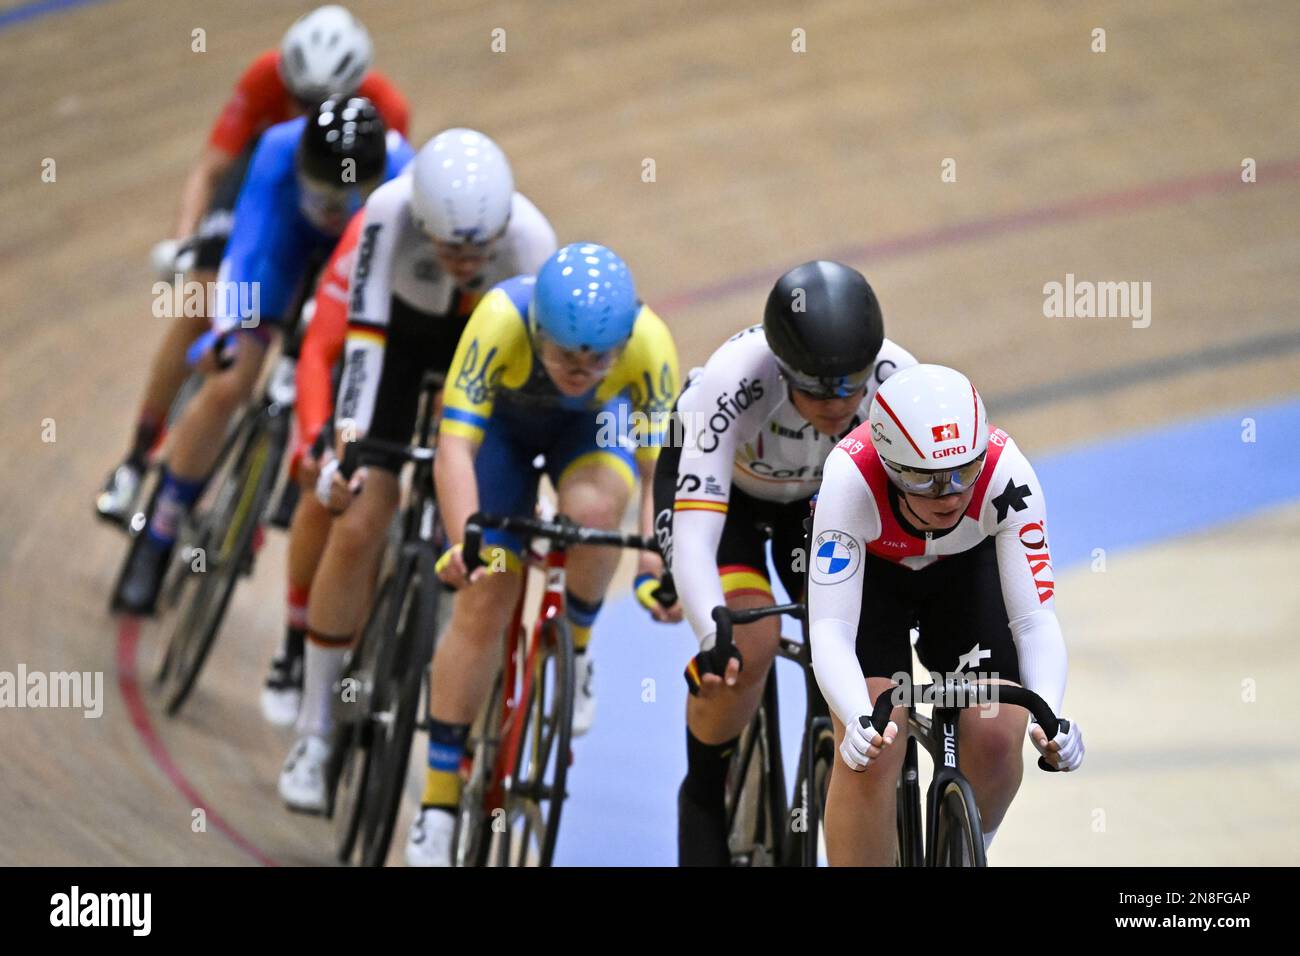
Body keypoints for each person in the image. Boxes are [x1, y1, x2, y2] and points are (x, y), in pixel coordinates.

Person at [276, 129, 559, 809]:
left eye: (479, 247)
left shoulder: (529, 240)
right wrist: (349, 447)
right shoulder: (388, 211)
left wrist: (539, 489)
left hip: (484, 352)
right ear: (424, 223)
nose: (467, 261)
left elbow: (540, 387)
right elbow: (363, 343)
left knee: (485, 518)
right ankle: (314, 731)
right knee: (362, 514)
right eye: (452, 247)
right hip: (396, 341)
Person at [399, 242, 679, 866]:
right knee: (486, 598)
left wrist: (656, 560)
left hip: (591, 433)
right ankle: (439, 803)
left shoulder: (650, 342)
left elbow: (664, 471)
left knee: (598, 514)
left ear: (624, 340)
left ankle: (576, 648)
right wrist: (467, 540)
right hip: (497, 436)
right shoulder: (500, 318)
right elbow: (454, 450)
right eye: (564, 356)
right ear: (536, 330)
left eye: (597, 360)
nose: (580, 372)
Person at [96, 5, 409, 523]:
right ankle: (135, 457)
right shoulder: (265, 79)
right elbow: (212, 167)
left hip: (335, 215)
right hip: (262, 191)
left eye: (319, 103)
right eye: (297, 98)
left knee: (328, 334)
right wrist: (183, 240)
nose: (303, 109)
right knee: (200, 295)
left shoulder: (385, 111)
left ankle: (287, 472)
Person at [651, 260, 917, 865]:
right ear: (783, 370)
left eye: (851, 386)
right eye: (819, 389)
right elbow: (695, 536)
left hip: (819, 505)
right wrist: (707, 632)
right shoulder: (731, 382)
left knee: (864, 650)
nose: (839, 402)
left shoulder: (899, 381)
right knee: (750, 640)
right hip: (731, 505)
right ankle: (701, 795)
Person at [112, 98, 413, 614]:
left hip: (356, 256)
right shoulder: (276, 150)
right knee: (230, 380)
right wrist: (226, 333)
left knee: (341, 370)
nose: (329, 208)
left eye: (342, 200)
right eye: (321, 195)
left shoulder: (403, 175)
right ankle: (157, 535)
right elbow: (248, 247)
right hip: (283, 242)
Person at [807, 363, 1085, 866]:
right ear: (888, 465)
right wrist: (854, 719)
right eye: (925, 479)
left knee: (1001, 735)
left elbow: (1035, 621)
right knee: (875, 748)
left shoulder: (1007, 474)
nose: (951, 494)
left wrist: (1050, 715)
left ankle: (962, 852)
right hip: (876, 579)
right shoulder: (850, 481)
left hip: (963, 571)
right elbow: (830, 629)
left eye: (964, 473)